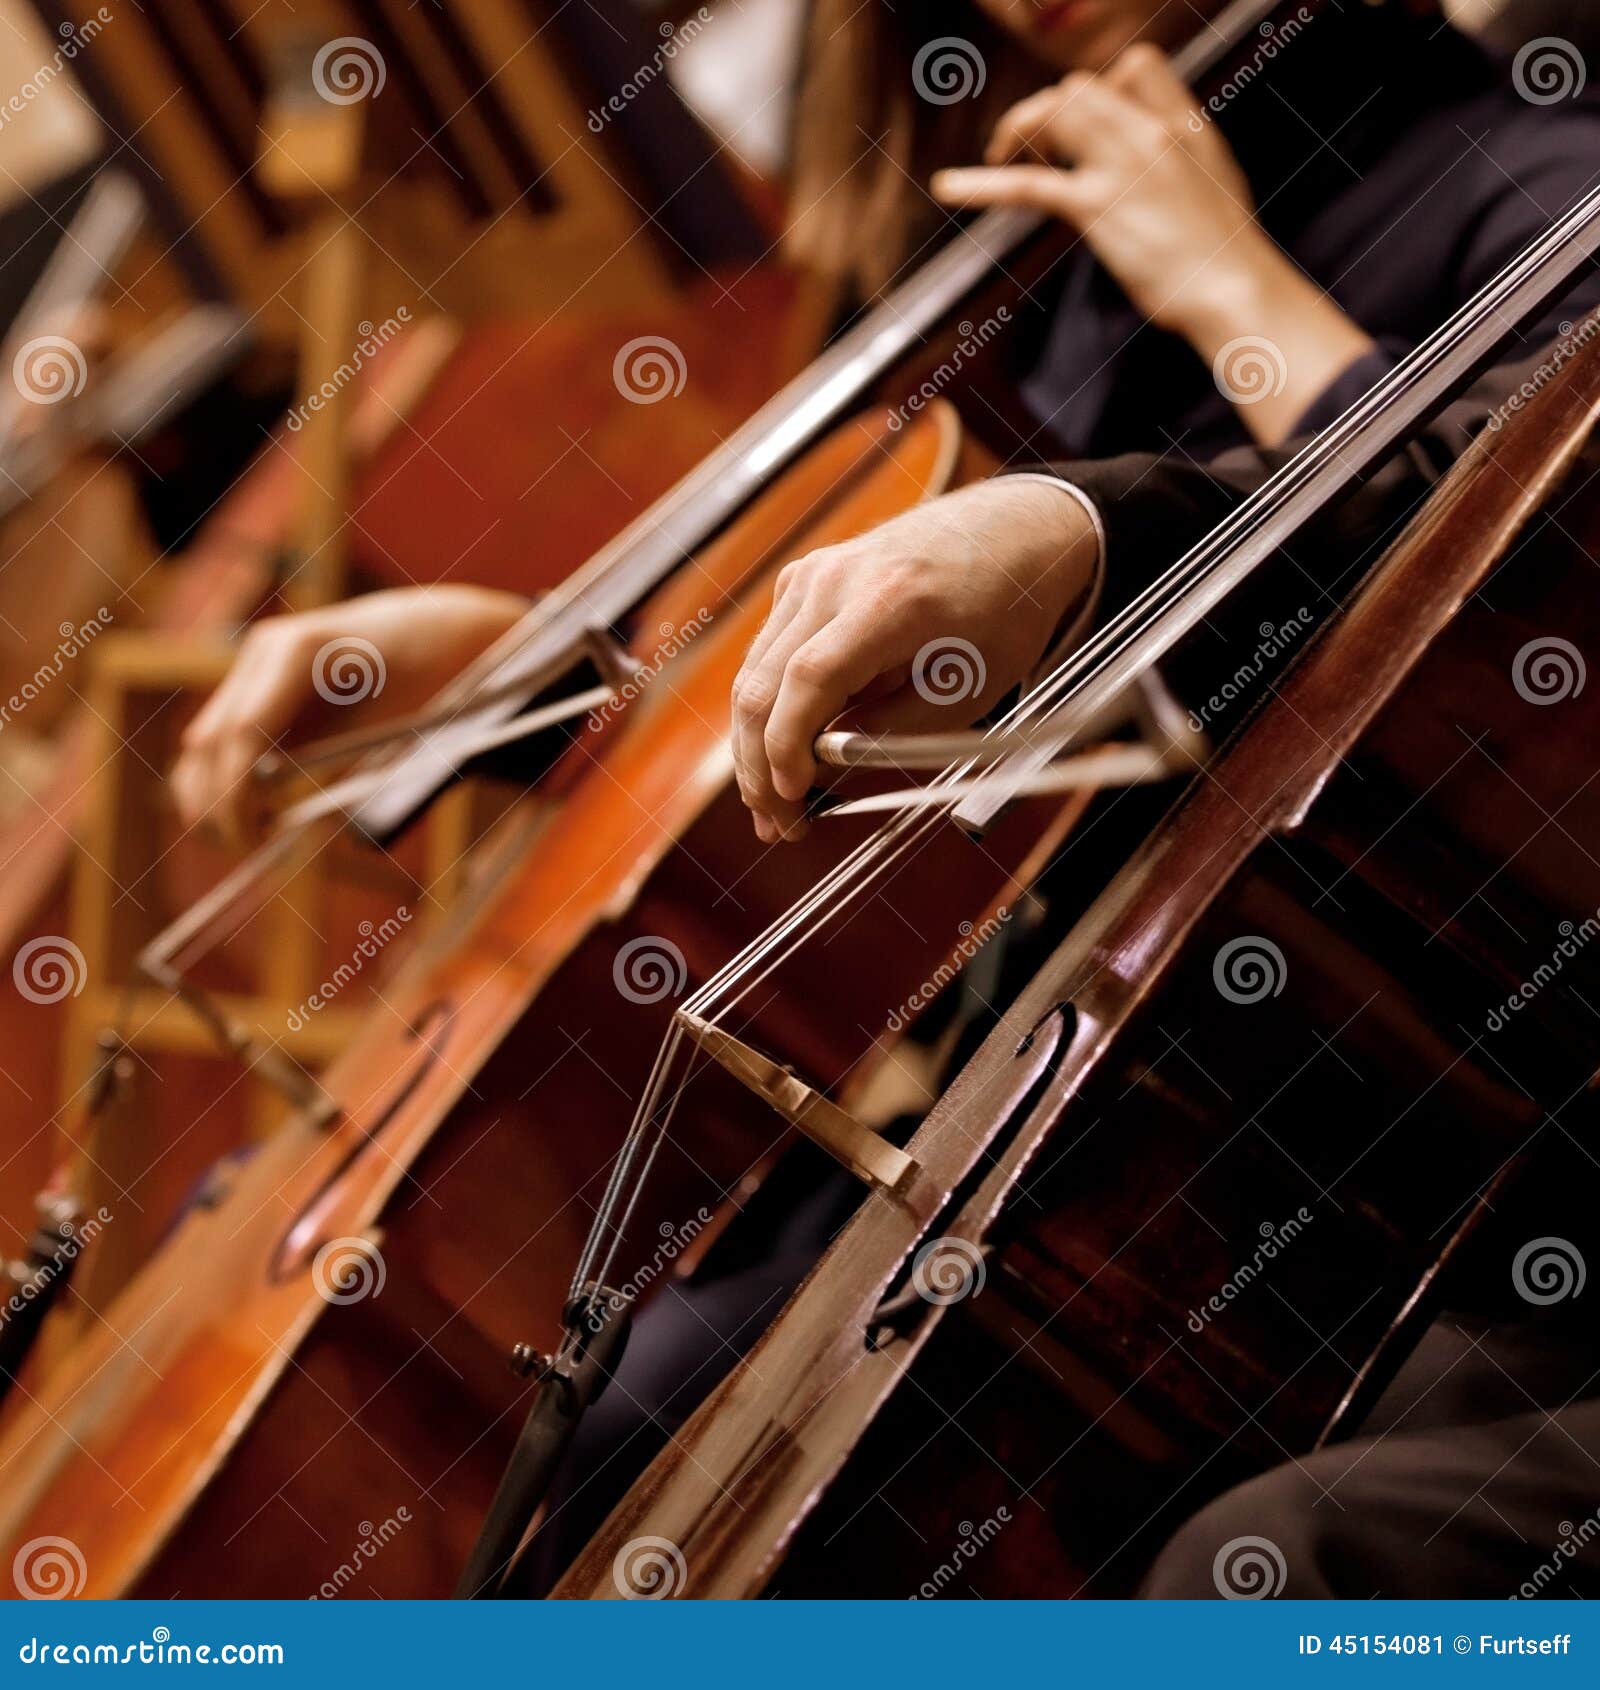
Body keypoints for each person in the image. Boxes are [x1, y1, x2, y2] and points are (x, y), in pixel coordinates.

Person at [169, 0, 1600, 1597]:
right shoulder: (1039, 260)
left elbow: (1525, 578)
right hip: (1057, 1093)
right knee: (608, 1448)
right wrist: (531, 678)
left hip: (1322, 1134)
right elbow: (895, 773)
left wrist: (1229, 297)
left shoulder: (1522, 175)